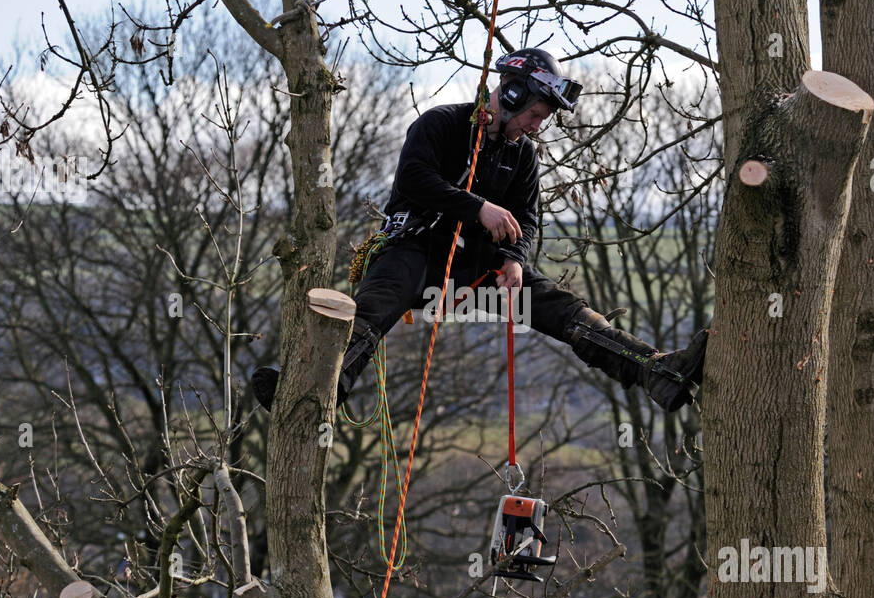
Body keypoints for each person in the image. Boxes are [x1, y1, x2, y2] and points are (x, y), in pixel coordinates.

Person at [252, 48, 707, 413]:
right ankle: (314, 391)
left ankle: (655, 371)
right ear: (509, 97)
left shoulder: (523, 155)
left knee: (561, 307)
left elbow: (526, 218)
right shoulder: (443, 124)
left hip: (475, 269)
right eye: (534, 114)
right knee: (376, 303)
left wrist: (515, 259)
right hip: (415, 249)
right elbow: (414, 178)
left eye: (543, 119)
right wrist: (478, 208)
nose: (536, 126)